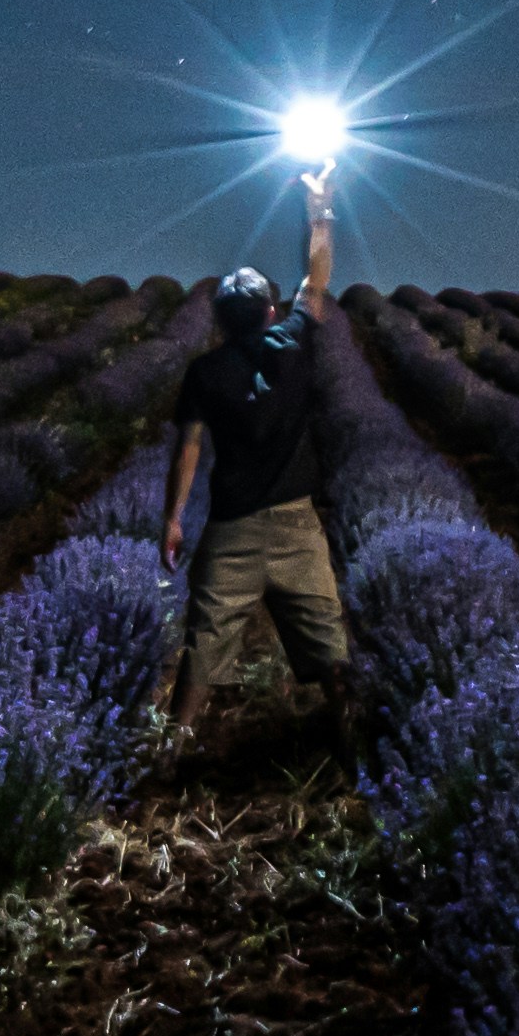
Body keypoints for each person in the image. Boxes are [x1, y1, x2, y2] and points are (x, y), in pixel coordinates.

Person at [152, 164, 356, 751]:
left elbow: (189, 447)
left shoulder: (205, 371)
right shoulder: (293, 341)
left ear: (219, 320)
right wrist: (320, 210)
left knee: (203, 647)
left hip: (232, 527)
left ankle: (171, 753)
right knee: (330, 647)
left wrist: (173, 519)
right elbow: (317, 279)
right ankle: (355, 754)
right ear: (270, 310)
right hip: (297, 526)